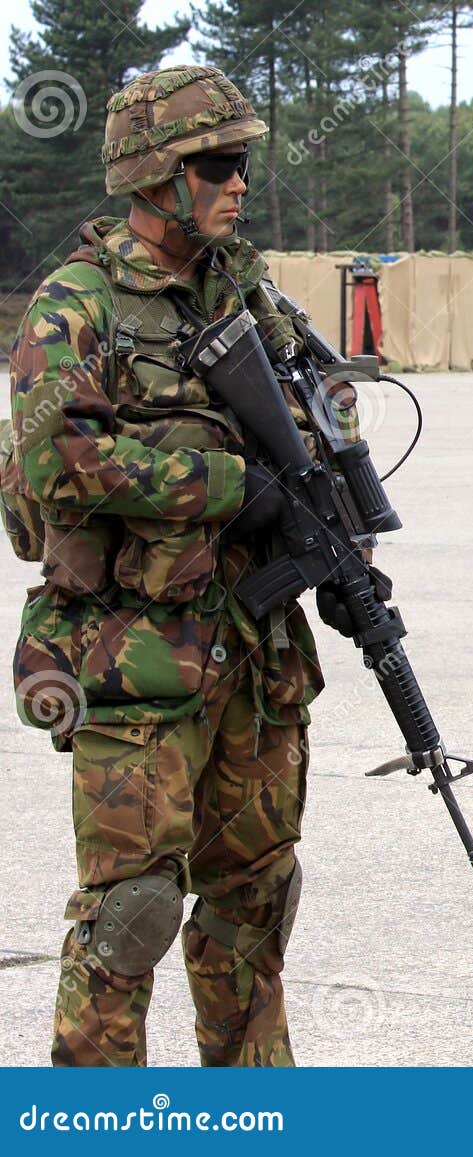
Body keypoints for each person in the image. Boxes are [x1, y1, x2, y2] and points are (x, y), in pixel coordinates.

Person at [6, 65, 343, 1065]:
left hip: (257, 652)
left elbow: (325, 400)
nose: (239, 182)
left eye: (243, 162)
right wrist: (226, 483)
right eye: (217, 163)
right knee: (133, 913)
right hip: (137, 660)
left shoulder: (247, 288)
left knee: (254, 902)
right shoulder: (78, 303)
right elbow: (44, 459)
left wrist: (318, 471)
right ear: (155, 174)